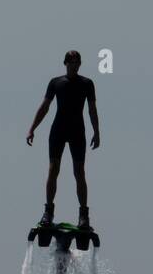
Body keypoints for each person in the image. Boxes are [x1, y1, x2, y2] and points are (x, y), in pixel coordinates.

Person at [26, 50, 100, 229]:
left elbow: (91, 109)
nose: (74, 65)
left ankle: (84, 215)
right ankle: (48, 212)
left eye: (77, 62)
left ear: (80, 64)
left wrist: (97, 132)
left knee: (79, 172)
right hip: (58, 130)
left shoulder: (87, 84)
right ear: (65, 63)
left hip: (77, 132)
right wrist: (32, 129)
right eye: (71, 62)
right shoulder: (56, 82)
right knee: (53, 170)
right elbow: (45, 106)